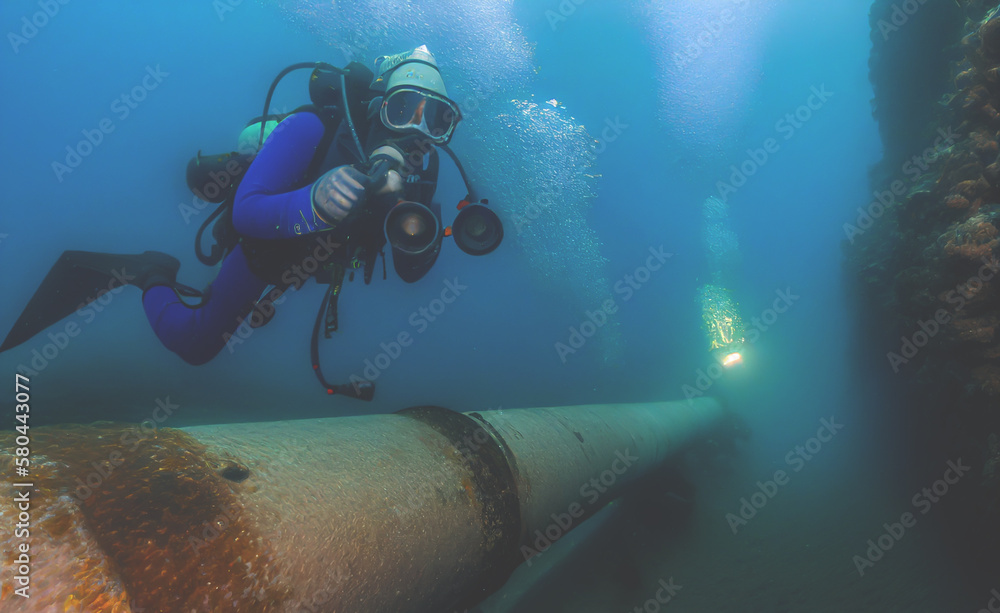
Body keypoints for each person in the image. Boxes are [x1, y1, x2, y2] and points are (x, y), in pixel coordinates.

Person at [1, 45, 503, 399]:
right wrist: (314, 201)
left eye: (435, 120)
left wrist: (417, 220)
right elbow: (247, 211)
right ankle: (150, 271)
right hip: (266, 253)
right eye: (403, 109)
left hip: (308, 266)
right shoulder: (312, 127)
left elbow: (411, 271)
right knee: (197, 344)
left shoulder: (424, 172)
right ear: (377, 108)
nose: (418, 131)